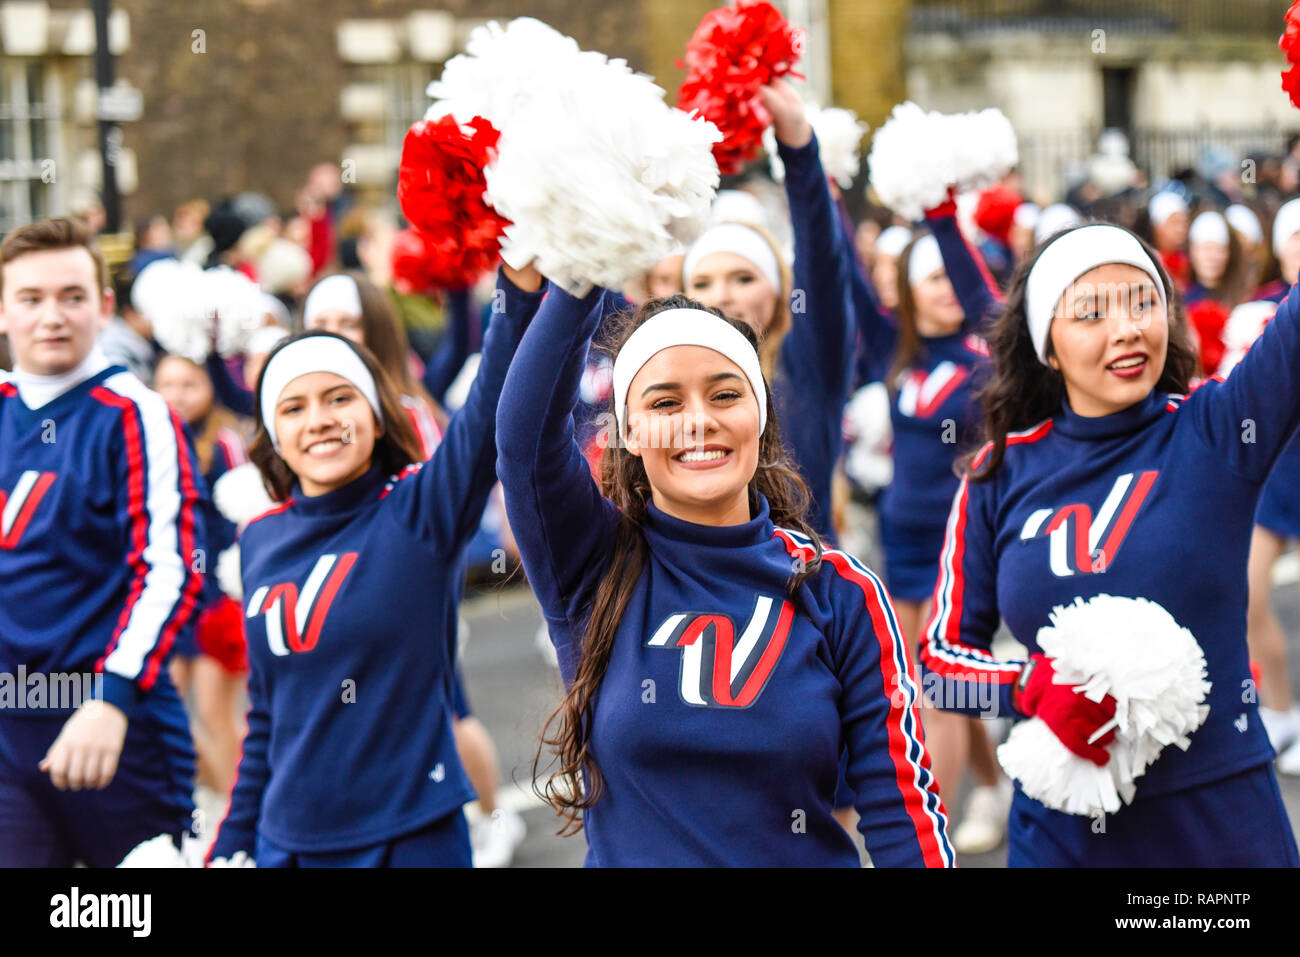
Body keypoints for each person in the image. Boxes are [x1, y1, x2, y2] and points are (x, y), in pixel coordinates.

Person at [496, 280, 953, 867]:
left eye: (724, 395)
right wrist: (579, 267)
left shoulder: (839, 589)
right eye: (664, 403)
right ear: (628, 432)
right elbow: (523, 440)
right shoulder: (592, 562)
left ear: (758, 415)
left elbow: (901, 806)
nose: (698, 421)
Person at [920, 221, 1300, 865]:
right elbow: (938, 671)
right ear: (1048, 346)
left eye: (1143, 302)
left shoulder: (1216, 430)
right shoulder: (995, 474)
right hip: (1061, 830)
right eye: (1090, 313)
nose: (1126, 329)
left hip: (1219, 820)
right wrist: (1028, 688)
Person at [206, 264, 544, 867]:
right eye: (294, 407)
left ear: (379, 414)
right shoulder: (258, 541)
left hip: (410, 835)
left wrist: (517, 292)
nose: (320, 419)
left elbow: (491, 399)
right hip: (288, 842)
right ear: (273, 435)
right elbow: (267, 715)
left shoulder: (419, 507)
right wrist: (232, 839)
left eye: (341, 398)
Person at [301, 270, 524, 865]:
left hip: (409, 578)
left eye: (348, 322)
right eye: (321, 323)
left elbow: (442, 491)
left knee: (449, 703)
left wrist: (455, 277)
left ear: (376, 326)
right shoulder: (306, 410)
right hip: (346, 593)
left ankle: (487, 818)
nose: (335, 334)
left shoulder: (405, 404)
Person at [0, 217, 204, 866]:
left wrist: (109, 699)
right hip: (8, 730)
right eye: (30, 298)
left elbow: (170, 571)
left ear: (105, 306)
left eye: (72, 296)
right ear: (3, 311)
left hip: (118, 724)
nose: (51, 316)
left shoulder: (134, 412)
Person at [682, 80, 855, 542]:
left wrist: (798, 147)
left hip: (808, 589)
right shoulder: (667, 382)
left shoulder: (808, 364)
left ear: (780, 293)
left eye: (743, 278)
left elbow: (823, 264)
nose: (720, 294)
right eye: (701, 282)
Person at [153, 354, 250, 798]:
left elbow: (237, 525)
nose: (176, 395)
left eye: (188, 384)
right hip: (170, 599)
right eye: (167, 384)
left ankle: (242, 812)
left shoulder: (226, 444)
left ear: (210, 387)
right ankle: (217, 797)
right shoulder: (152, 442)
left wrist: (230, 591)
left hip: (216, 599)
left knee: (216, 711)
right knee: (166, 708)